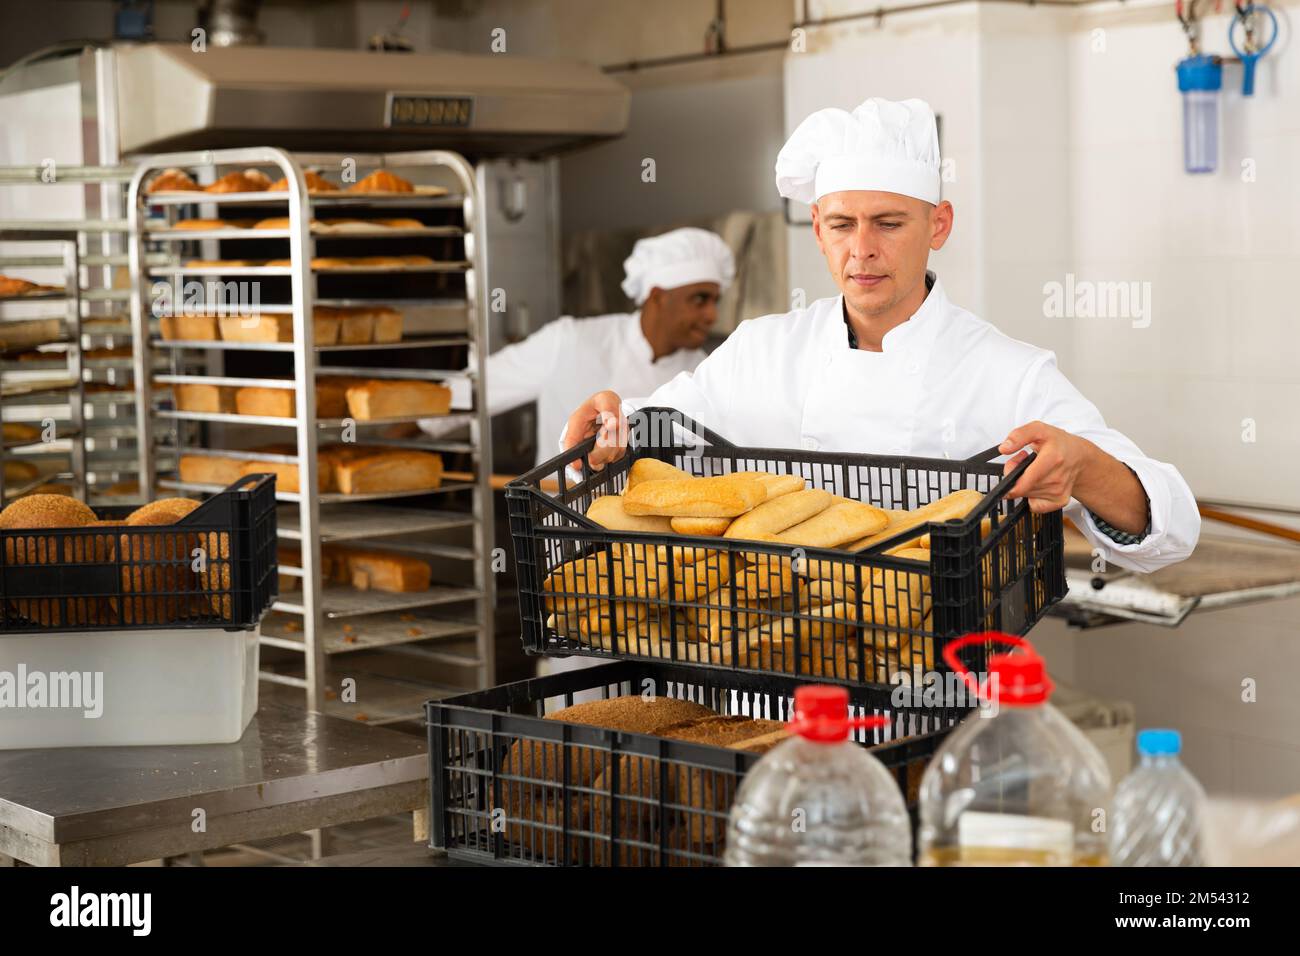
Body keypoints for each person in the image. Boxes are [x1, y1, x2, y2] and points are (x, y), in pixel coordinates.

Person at [560, 97, 1199, 573]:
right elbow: (662, 428)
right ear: (817, 227)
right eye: (842, 225)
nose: (861, 251)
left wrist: (1083, 465)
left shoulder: (1008, 373)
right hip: (762, 693)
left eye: (888, 223)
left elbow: (1170, 525)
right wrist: (608, 429)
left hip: (926, 696)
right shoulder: (762, 350)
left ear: (938, 224)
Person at [418, 227, 735, 467]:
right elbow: (474, 391)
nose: (712, 315)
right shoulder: (571, 341)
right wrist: (394, 426)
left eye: (715, 301)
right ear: (657, 296)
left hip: (653, 549)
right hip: (560, 538)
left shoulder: (706, 372)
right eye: (700, 300)